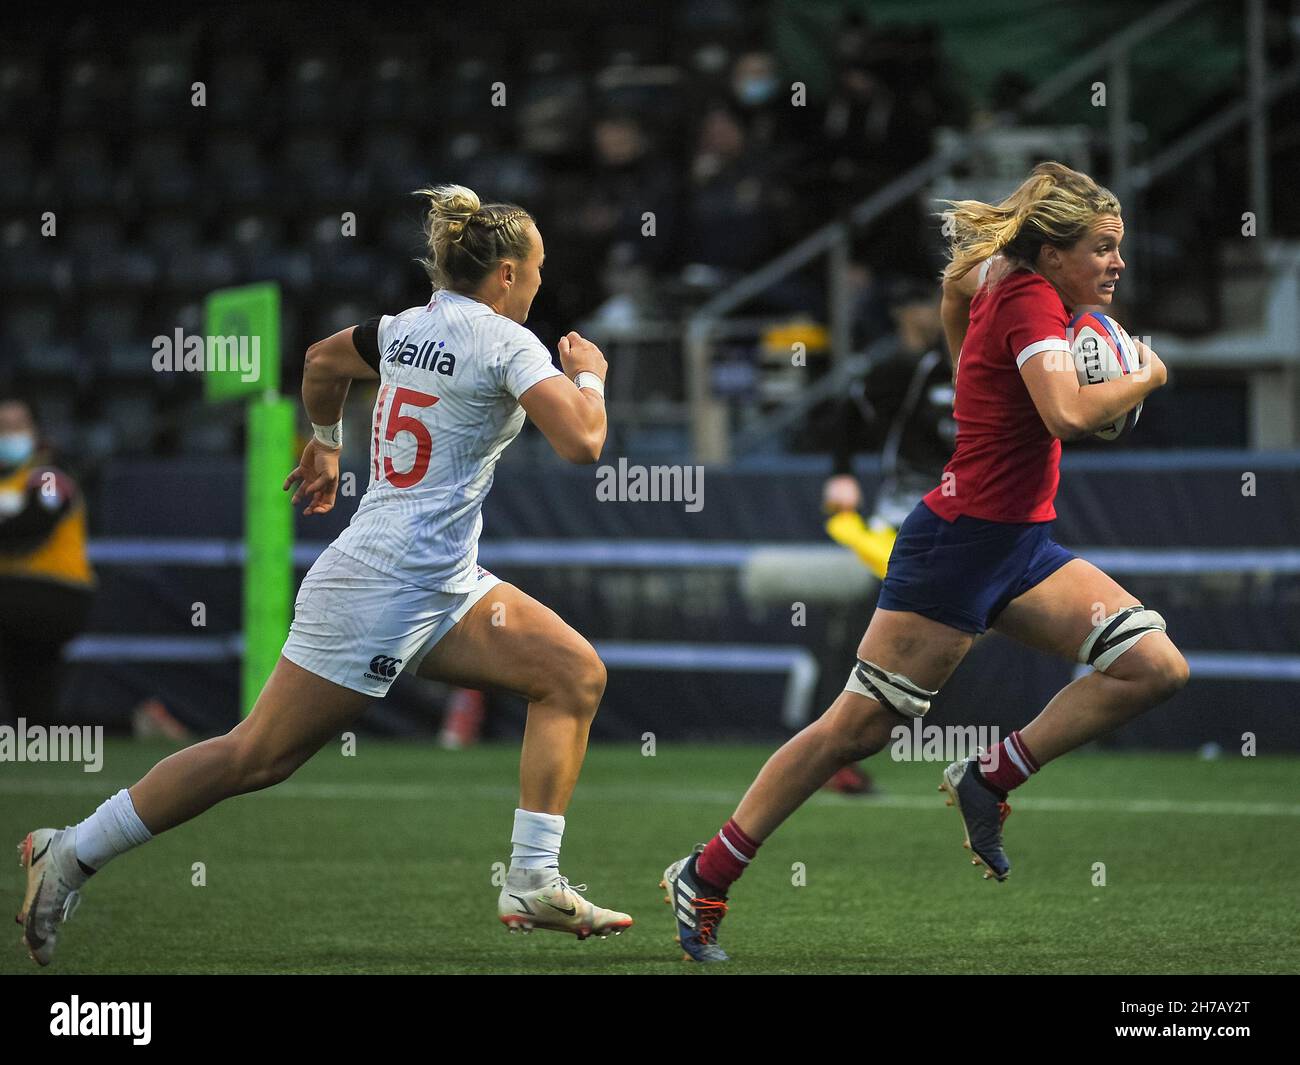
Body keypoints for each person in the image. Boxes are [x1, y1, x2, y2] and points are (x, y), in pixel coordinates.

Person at [16, 184, 632, 967]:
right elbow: (583, 444)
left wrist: (326, 441)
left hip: (442, 580)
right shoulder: (510, 343)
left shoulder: (404, 327)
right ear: (506, 273)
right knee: (255, 757)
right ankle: (67, 850)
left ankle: (532, 878)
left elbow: (321, 359)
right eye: (538, 267)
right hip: (379, 584)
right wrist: (591, 374)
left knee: (572, 674)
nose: (544, 281)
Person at [662, 161, 1188, 963]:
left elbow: (955, 293)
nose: (1119, 263)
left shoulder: (1005, 280)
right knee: (855, 730)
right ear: (1054, 255)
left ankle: (989, 776)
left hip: (1019, 543)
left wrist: (969, 375)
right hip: (957, 546)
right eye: (1104, 248)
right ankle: (705, 871)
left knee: (1154, 666)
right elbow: (1068, 411)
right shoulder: (1028, 302)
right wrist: (1145, 374)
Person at [0, 397, 95, 722]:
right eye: (2, 427)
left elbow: (34, 523)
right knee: (30, 677)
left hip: (54, 592)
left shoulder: (49, 476)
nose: (9, 434)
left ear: (35, 430)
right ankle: (37, 733)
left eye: (17, 426)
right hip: (14, 595)